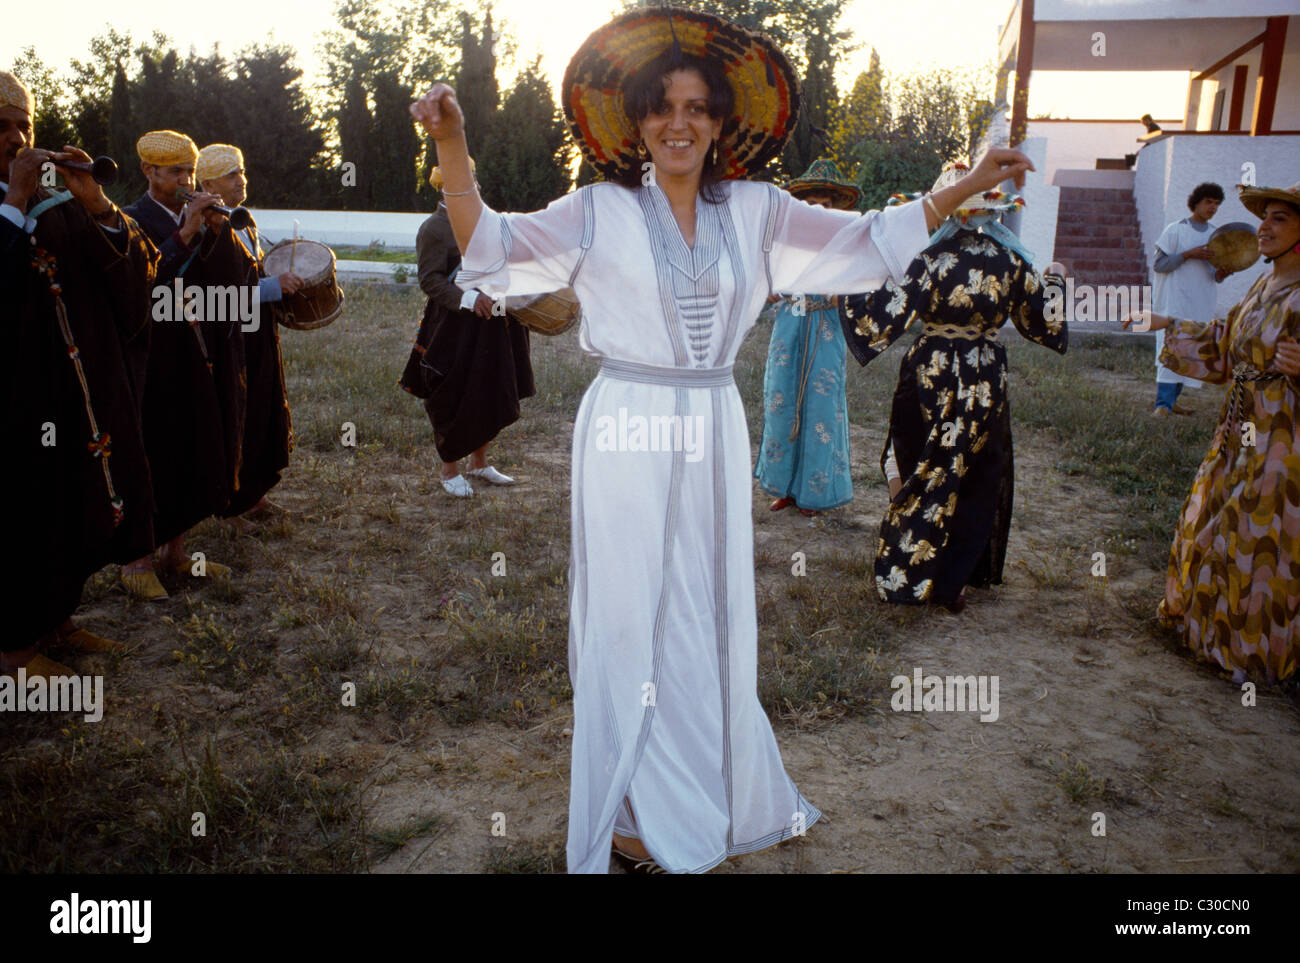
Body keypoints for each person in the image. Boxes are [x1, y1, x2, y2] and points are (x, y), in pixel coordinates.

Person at [412, 7, 1034, 873]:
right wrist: (453, 146)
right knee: (632, 616)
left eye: (697, 106)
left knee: (703, 613)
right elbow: (493, 247)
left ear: (720, 122)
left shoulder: (758, 211)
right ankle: (629, 810)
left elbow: (862, 246)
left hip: (710, 423)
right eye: (662, 105)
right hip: (625, 432)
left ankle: (696, 796)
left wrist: (963, 185)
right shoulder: (594, 210)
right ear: (636, 121)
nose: (679, 121)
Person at [840, 161, 1068, 613]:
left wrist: (848, 282)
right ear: (991, 211)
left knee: (918, 460)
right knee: (974, 469)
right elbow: (1046, 321)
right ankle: (954, 581)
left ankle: (911, 573)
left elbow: (885, 314)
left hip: (932, 372)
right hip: (985, 377)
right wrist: (1057, 276)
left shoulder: (929, 259)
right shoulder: (1013, 260)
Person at [1, 70, 157, 676]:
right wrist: (12, 202)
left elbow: (133, 275)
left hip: (71, 394)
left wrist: (96, 202)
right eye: (2, 127)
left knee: (67, 501)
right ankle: (14, 651)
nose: (17, 139)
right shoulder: (13, 202)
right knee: (19, 511)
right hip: (13, 396)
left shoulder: (58, 203)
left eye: (25, 127)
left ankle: (57, 621)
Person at [1122, 181, 1300, 685]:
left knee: (1259, 535)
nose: (1264, 225)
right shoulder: (1264, 286)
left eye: (1280, 218)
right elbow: (1226, 346)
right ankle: (1212, 633)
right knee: (1216, 519)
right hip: (1242, 429)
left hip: (1285, 438)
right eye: (1264, 216)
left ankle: (1254, 654)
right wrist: (1163, 321)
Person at [121, 130, 252, 599]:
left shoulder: (195, 213)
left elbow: (230, 287)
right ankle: (137, 560)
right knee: (153, 451)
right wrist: (186, 235)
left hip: (194, 349)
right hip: (152, 355)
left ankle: (176, 551)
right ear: (148, 172)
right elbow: (141, 283)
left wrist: (218, 238)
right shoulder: (130, 219)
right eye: (175, 172)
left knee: (191, 445)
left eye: (190, 172)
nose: (185, 180)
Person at [399, 159, 534, 497]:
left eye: (472, 178)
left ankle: (479, 463)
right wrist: (469, 299)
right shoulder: (433, 228)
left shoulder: (489, 220)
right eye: (462, 179)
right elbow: (429, 280)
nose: (471, 185)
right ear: (444, 186)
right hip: (454, 326)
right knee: (456, 393)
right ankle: (449, 471)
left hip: (495, 321)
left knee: (491, 387)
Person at [197, 142, 301, 519]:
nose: (241, 180)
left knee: (263, 407)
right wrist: (274, 287)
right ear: (207, 183)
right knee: (240, 412)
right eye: (231, 174)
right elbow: (216, 294)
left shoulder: (243, 220)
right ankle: (237, 500)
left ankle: (255, 493)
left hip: (258, 333)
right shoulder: (205, 227)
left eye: (241, 172)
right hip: (230, 336)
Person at [755, 159, 860, 517]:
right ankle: (784, 487)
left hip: (824, 330)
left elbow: (862, 286)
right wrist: (768, 289)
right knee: (782, 402)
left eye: (826, 205)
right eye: (811, 204)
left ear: (836, 208)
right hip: (789, 328)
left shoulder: (845, 243)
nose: (819, 210)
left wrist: (841, 295)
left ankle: (814, 491)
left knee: (820, 407)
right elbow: (765, 279)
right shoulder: (785, 242)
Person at [1150, 182, 1229, 416]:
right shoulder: (1176, 229)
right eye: (1208, 202)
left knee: (1193, 350)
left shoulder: (1217, 235)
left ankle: (1173, 401)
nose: (1212, 207)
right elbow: (1160, 264)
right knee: (1172, 346)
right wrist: (1189, 254)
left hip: (1201, 300)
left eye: (1216, 204)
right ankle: (1162, 405)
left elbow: (1214, 275)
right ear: (1196, 202)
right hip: (1174, 299)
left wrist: (1225, 271)